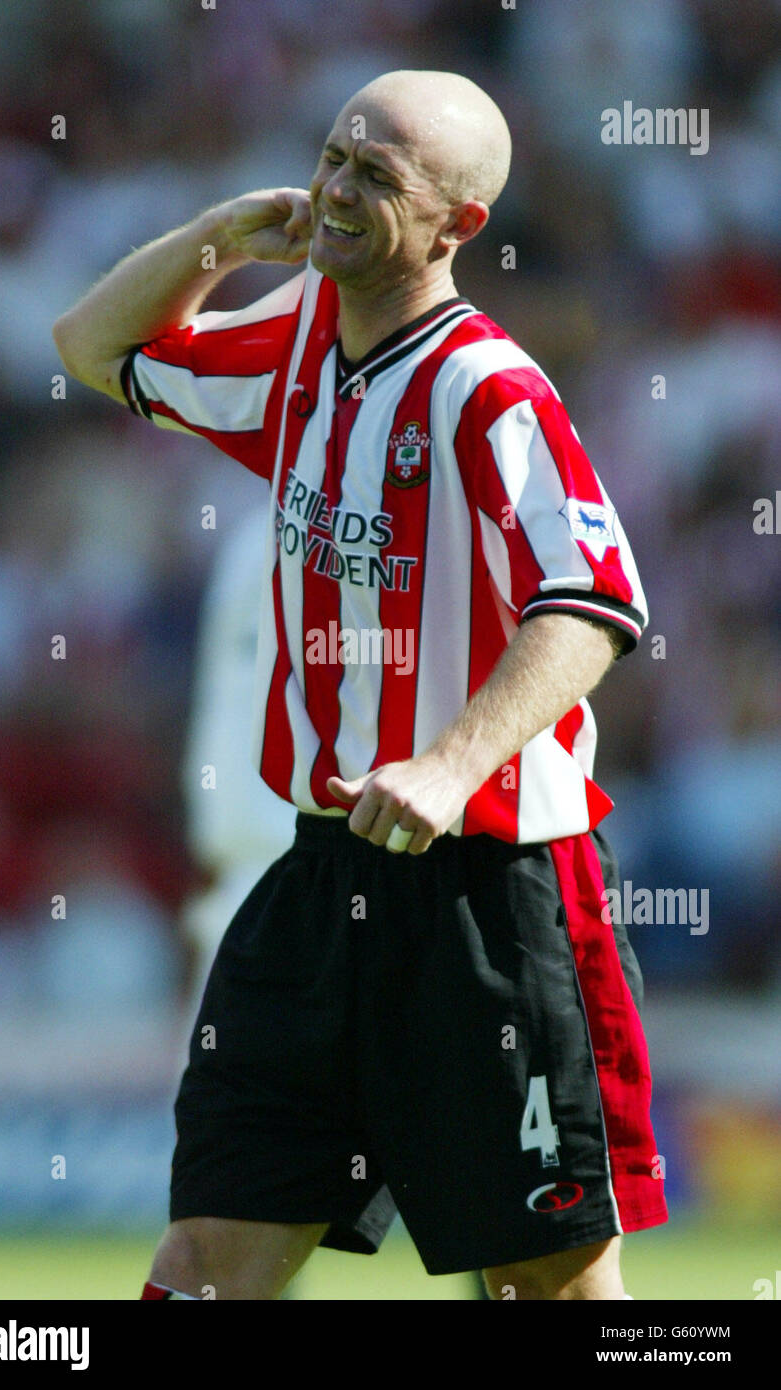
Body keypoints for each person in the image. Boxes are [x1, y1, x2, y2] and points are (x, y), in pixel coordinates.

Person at [53, 69, 667, 1301]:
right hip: (318, 874)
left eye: (379, 178)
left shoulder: (489, 389)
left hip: (491, 893)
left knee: (542, 1283)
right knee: (208, 1262)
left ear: (459, 225)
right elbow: (92, 346)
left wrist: (449, 763)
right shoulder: (292, 344)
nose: (336, 188)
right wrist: (223, 235)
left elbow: (598, 602)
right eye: (335, 154)